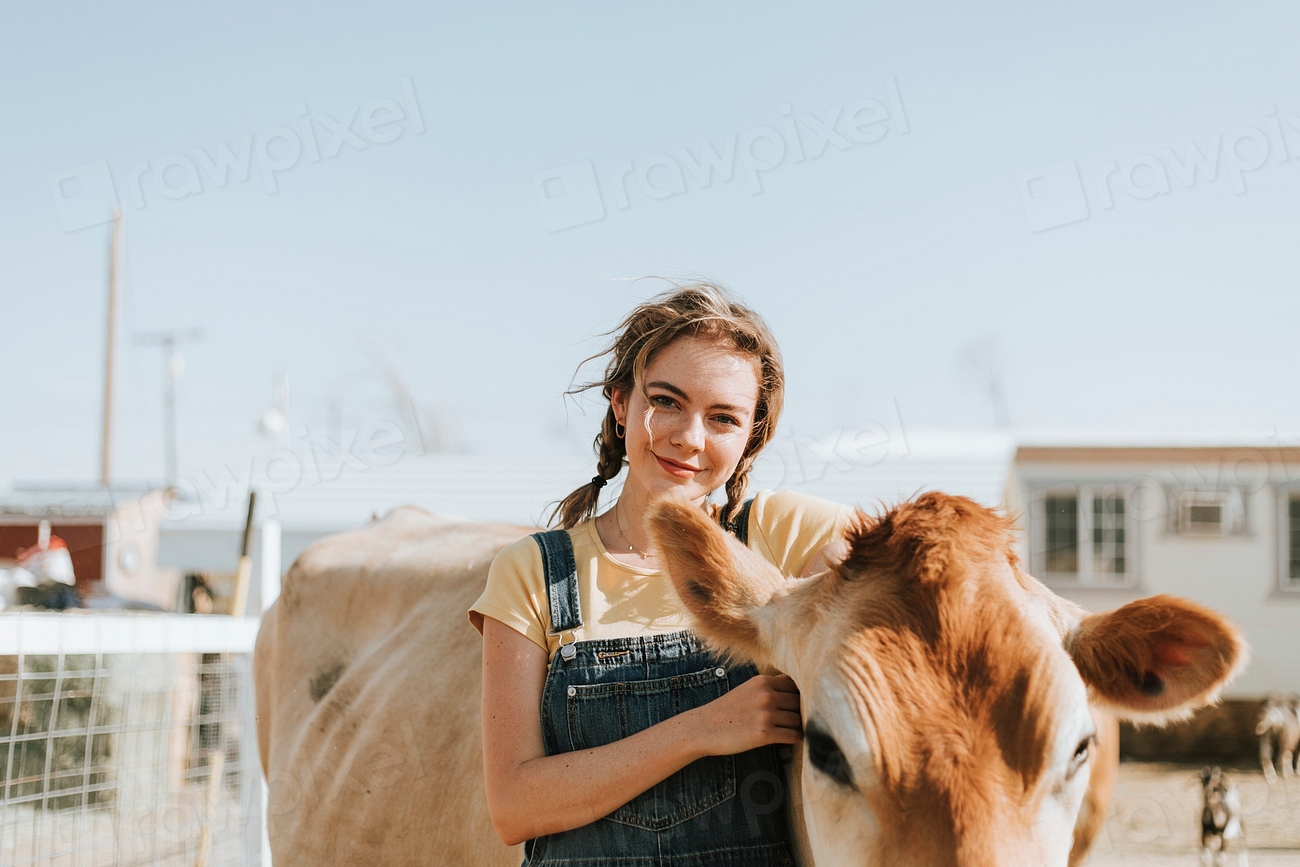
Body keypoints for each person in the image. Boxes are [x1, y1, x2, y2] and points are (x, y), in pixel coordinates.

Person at [468, 282, 853, 866]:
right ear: (622, 405)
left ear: (752, 437)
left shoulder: (776, 535)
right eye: (667, 401)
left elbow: (916, 568)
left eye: (723, 418)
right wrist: (701, 730)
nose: (689, 437)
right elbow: (515, 806)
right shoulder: (535, 573)